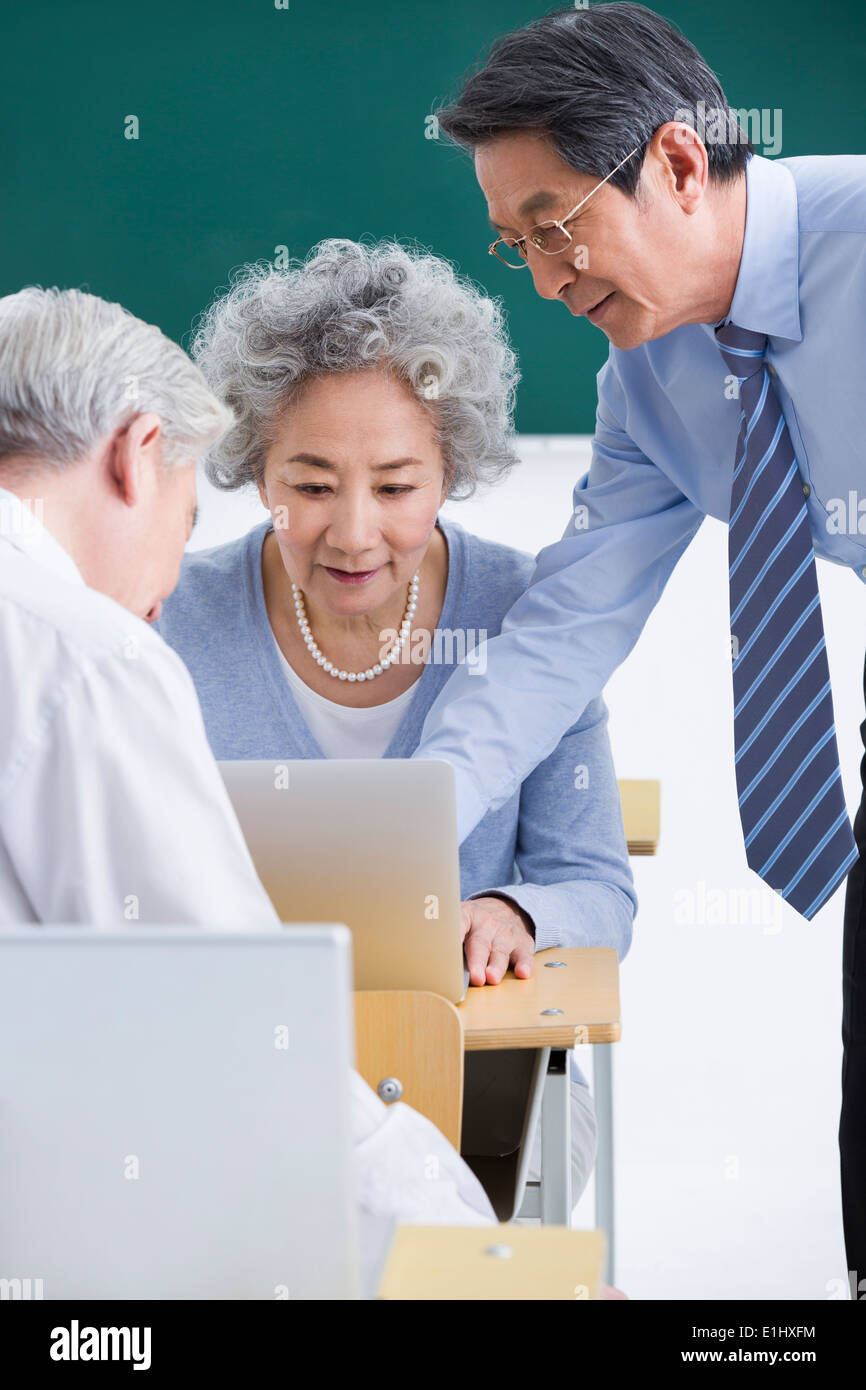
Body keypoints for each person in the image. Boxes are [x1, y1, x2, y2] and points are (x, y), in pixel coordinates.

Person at [410, 1, 866, 1285]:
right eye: (518, 249)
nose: (549, 283)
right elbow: (563, 626)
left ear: (673, 160)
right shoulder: (650, 383)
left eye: (554, 226)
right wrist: (417, 819)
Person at [0, 284, 498, 1298]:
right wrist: (477, 1252)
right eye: (182, 525)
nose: (170, 584)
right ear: (138, 454)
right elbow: (227, 1030)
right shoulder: (87, 659)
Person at [153, 237, 636, 1214]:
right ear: (255, 470)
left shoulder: (529, 615)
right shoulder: (172, 620)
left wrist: (515, 913)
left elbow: (595, 887)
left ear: (450, 469)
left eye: (397, 485)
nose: (355, 531)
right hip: (245, 1083)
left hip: (480, 1082)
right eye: (313, 483)